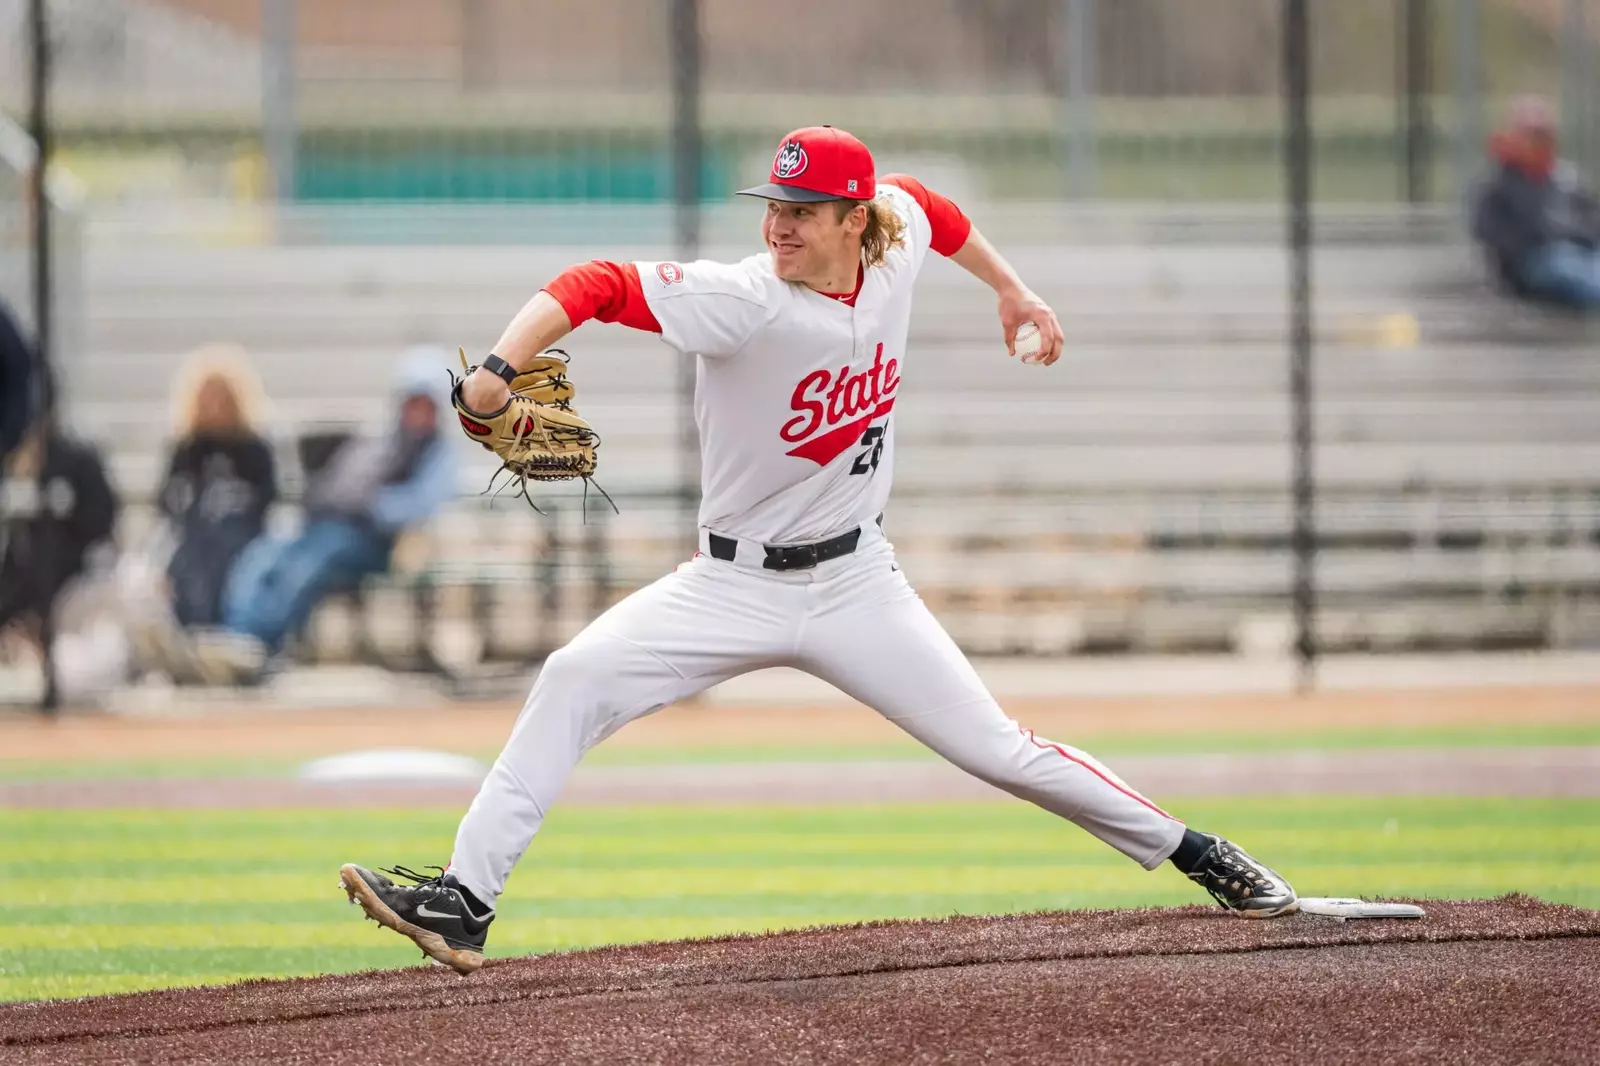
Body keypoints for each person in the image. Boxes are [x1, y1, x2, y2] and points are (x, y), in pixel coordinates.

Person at [339, 126, 1299, 975]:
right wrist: (496, 372)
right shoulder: (743, 299)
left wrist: (1012, 290)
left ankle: (1199, 853)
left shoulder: (895, 239)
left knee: (999, 750)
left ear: (854, 220)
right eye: (774, 206)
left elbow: (930, 205)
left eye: (801, 210)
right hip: (728, 584)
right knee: (573, 678)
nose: (778, 225)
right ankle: (464, 902)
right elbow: (595, 283)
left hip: (856, 584)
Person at [194, 349, 456, 683]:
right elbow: (337, 485)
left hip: (373, 543)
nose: (418, 412)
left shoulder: (439, 454)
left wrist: (368, 505)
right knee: (263, 558)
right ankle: (237, 636)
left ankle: (261, 647)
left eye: (426, 405)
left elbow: (417, 505)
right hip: (325, 526)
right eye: (413, 403)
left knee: (305, 569)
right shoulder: (380, 441)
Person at [1472, 95, 1600, 311]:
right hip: (1535, 260)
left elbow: (1593, 220)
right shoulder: (1497, 185)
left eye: (1543, 136)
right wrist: (1548, 237)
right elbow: (1491, 235)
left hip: (1582, 251)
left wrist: (1576, 235)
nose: (1537, 143)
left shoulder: (1568, 178)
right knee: (1567, 267)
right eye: (1530, 136)